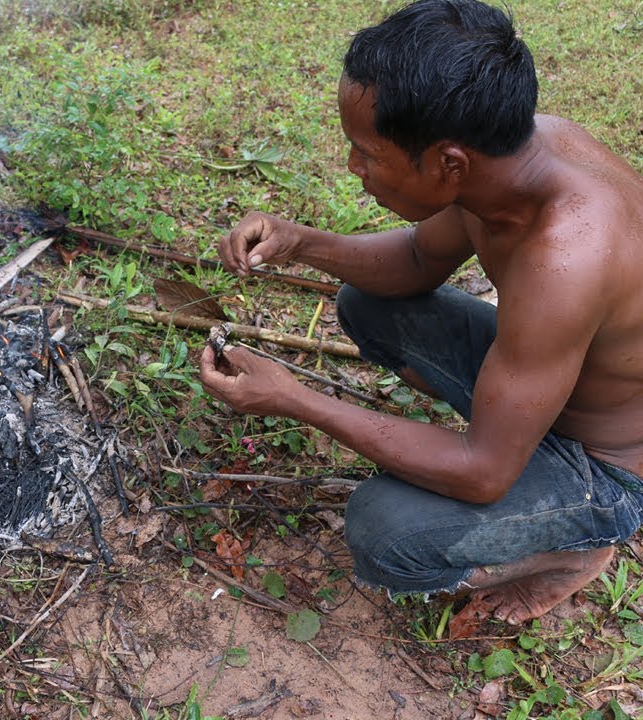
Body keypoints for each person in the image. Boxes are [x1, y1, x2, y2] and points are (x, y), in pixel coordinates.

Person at [197, 0, 643, 629]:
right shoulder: (508, 154)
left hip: (608, 465)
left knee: (386, 532)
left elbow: (483, 473)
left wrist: (295, 399)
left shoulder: (565, 258)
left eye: (367, 153)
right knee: (366, 302)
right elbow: (413, 259)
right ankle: (508, 428)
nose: (354, 168)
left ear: (448, 163)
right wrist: (301, 242)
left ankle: (574, 549)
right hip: (547, 386)